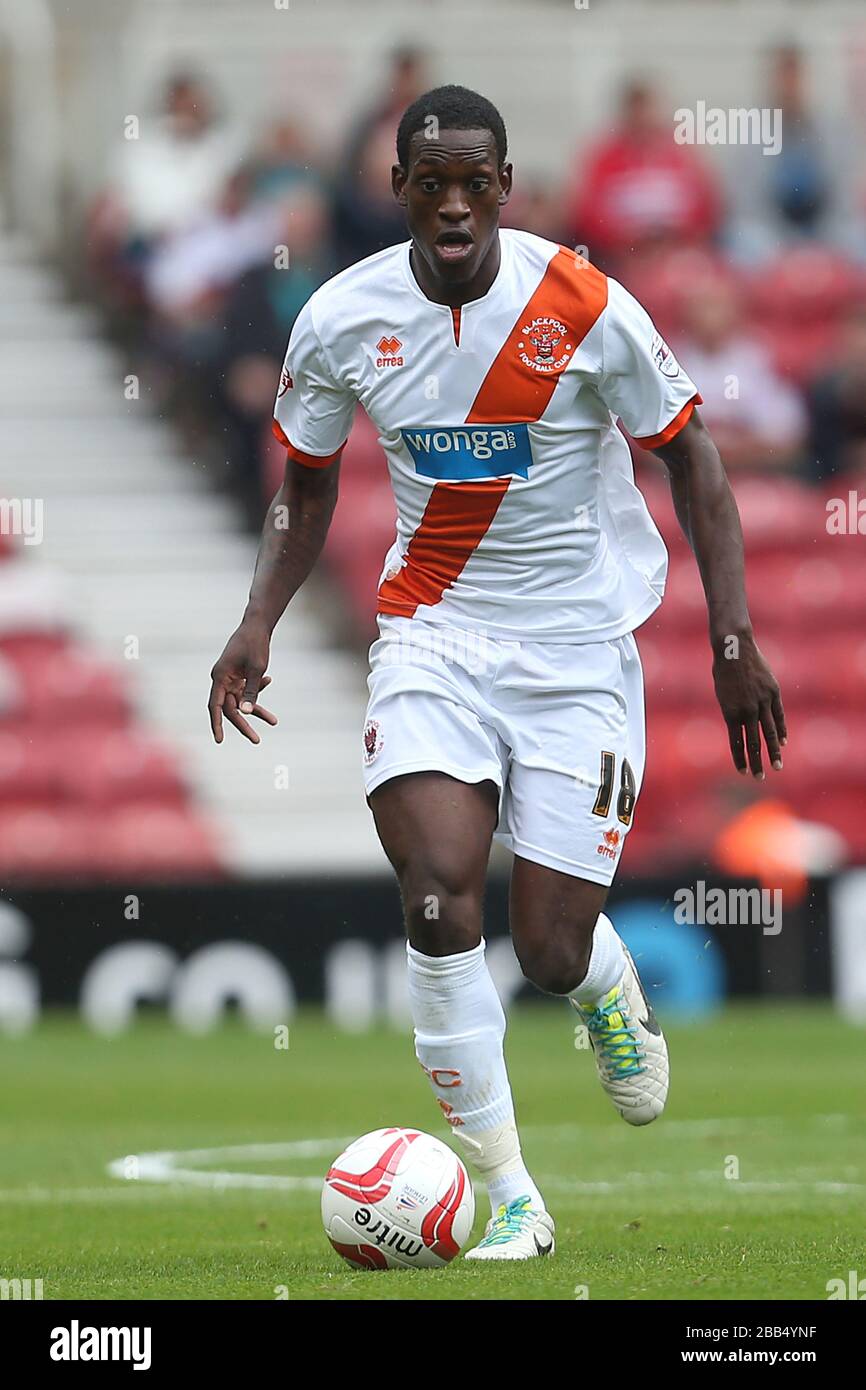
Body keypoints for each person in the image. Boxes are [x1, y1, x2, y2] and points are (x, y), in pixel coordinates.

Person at [208, 86, 786, 1261]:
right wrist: (256, 619)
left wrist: (731, 638)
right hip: (432, 635)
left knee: (549, 950)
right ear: (400, 193)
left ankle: (604, 987)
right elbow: (306, 485)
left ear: (506, 185)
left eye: (477, 180)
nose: (456, 202)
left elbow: (695, 462)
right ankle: (513, 1195)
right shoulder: (337, 317)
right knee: (436, 891)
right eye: (433, 182)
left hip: (576, 651)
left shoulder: (581, 305)